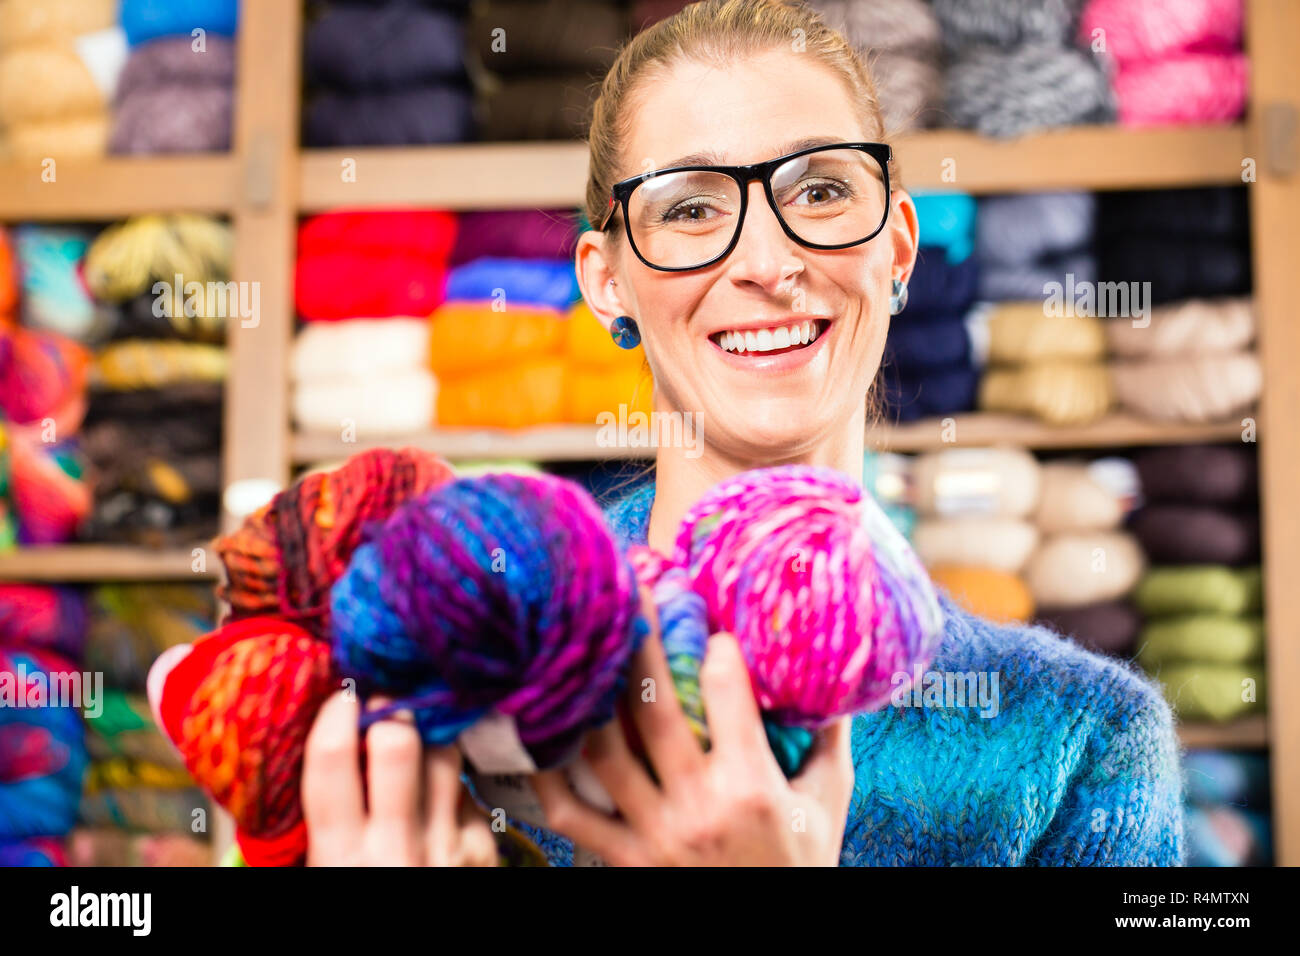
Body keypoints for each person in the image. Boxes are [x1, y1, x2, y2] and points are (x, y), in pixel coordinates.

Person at [302, 0, 1185, 867]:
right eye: (689, 209)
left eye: (824, 190)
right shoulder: (457, 665)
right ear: (607, 282)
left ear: (899, 248)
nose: (766, 265)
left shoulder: (1081, 741)